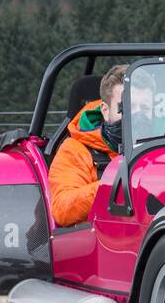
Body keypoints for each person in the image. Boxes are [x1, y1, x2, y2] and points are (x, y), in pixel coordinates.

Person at [49, 64, 128, 226]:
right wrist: (113, 186)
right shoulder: (76, 150)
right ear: (105, 111)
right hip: (103, 241)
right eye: (125, 108)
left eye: (144, 108)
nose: (135, 116)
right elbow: (62, 209)